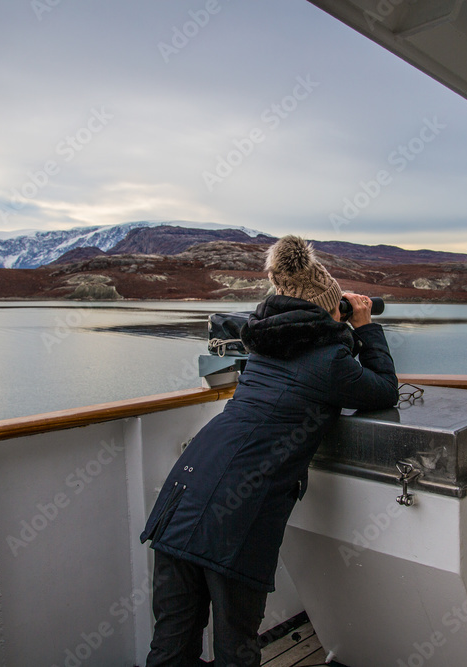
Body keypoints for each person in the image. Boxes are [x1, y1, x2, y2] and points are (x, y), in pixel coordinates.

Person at [140, 235, 398, 666]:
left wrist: (333, 318)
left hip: (184, 492)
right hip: (236, 516)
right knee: (236, 648)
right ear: (329, 310)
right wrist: (365, 326)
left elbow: (304, 346)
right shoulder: (330, 363)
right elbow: (383, 389)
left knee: (171, 645)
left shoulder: (262, 346)